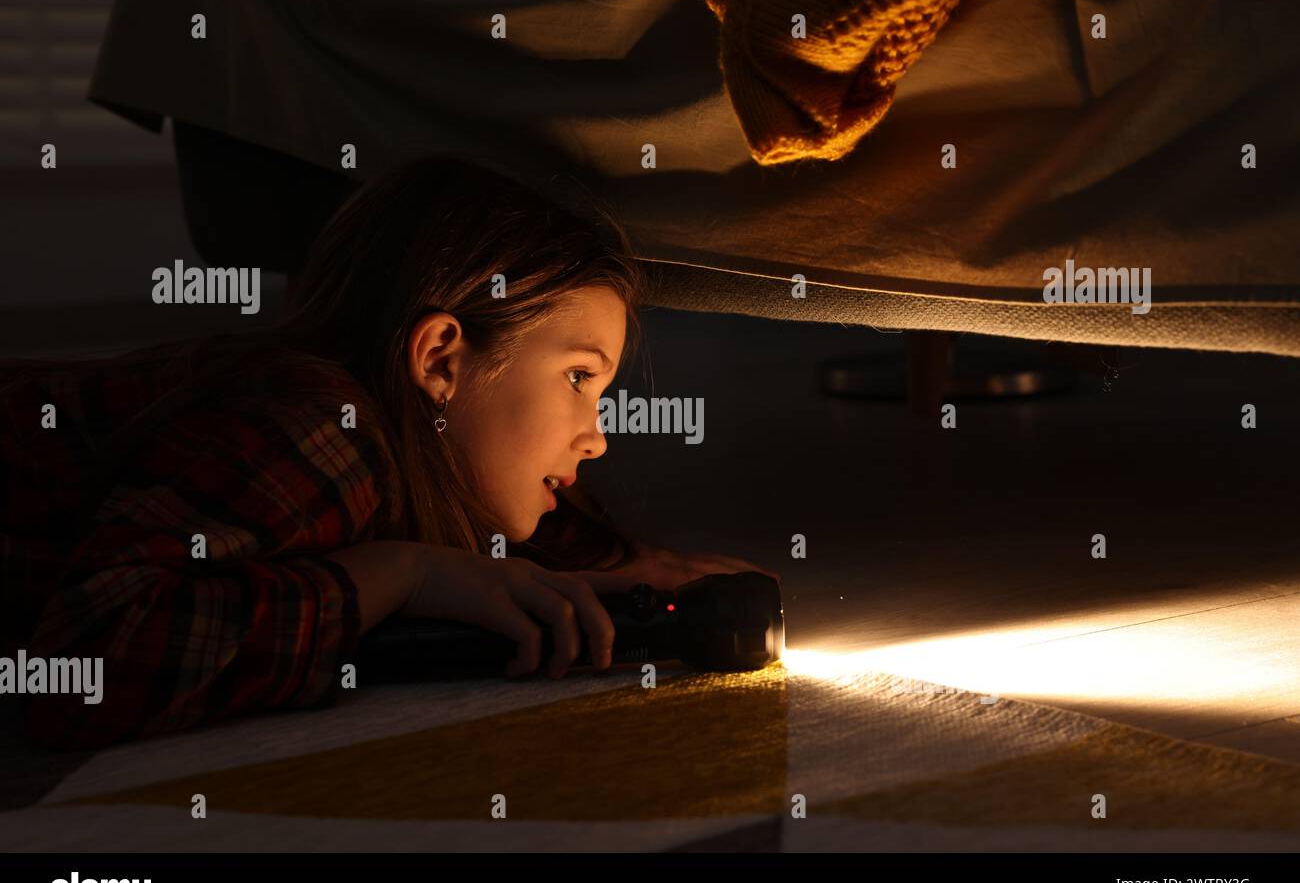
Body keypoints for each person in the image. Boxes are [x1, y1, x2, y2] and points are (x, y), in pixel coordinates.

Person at [0, 155, 775, 750]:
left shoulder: (409, 443)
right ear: (441, 358)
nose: (598, 434)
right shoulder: (319, 433)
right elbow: (85, 664)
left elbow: (502, 535)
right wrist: (404, 574)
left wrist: (622, 569)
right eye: (579, 377)